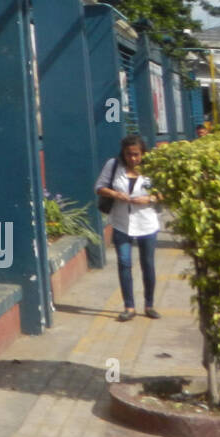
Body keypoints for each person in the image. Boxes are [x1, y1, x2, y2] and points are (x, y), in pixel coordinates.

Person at [95, 134, 159, 322]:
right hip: (122, 223)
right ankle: (129, 306)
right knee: (124, 263)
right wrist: (115, 194)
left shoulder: (152, 167)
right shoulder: (113, 166)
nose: (133, 158)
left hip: (147, 222)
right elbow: (99, 187)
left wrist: (149, 199)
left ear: (143, 153)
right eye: (129, 154)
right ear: (123, 154)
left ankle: (149, 304)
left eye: (136, 155)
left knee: (148, 264)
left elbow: (164, 192)